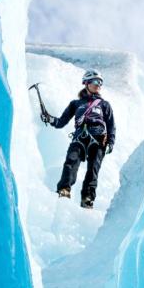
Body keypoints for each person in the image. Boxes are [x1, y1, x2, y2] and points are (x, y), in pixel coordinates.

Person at [45, 69, 116, 208]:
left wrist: (110, 142)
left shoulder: (104, 105)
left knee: (93, 169)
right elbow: (61, 122)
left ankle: (87, 197)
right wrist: (50, 119)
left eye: (100, 82)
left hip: (98, 138)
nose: (98, 84)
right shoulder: (75, 104)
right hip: (79, 137)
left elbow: (111, 125)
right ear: (86, 83)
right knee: (70, 162)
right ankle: (64, 189)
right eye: (95, 81)